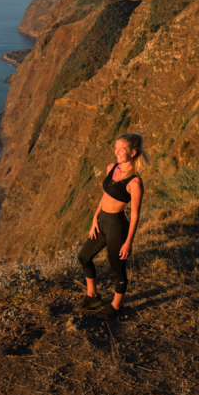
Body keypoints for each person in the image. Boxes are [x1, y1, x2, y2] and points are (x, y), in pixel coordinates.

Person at [77, 132, 149, 319]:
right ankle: (92, 296)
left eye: (121, 149)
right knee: (84, 257)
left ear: (132, 153)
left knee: (117, 268)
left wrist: (128, 242)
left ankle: (116, 307)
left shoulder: (135, 182)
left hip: (117, 226)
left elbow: (135, 215)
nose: (116, 152)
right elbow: (105, 195)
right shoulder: (111, 167)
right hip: (102, 222)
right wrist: (95, 218)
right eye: (116, 148)